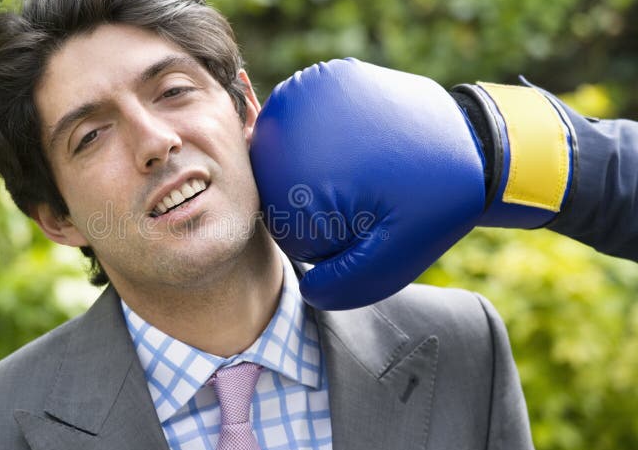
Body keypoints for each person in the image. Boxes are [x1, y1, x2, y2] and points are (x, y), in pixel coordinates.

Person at [0, 0, 539, 450]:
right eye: (92, 134)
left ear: (245, 109)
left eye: (174, 90)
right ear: (56, 217)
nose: (155, 142)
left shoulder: (464, 346)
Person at [250, 58, 637, 310]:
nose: (183, 141)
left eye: (184, 91)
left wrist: (489, 141)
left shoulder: (465, 337)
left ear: (247, 107)